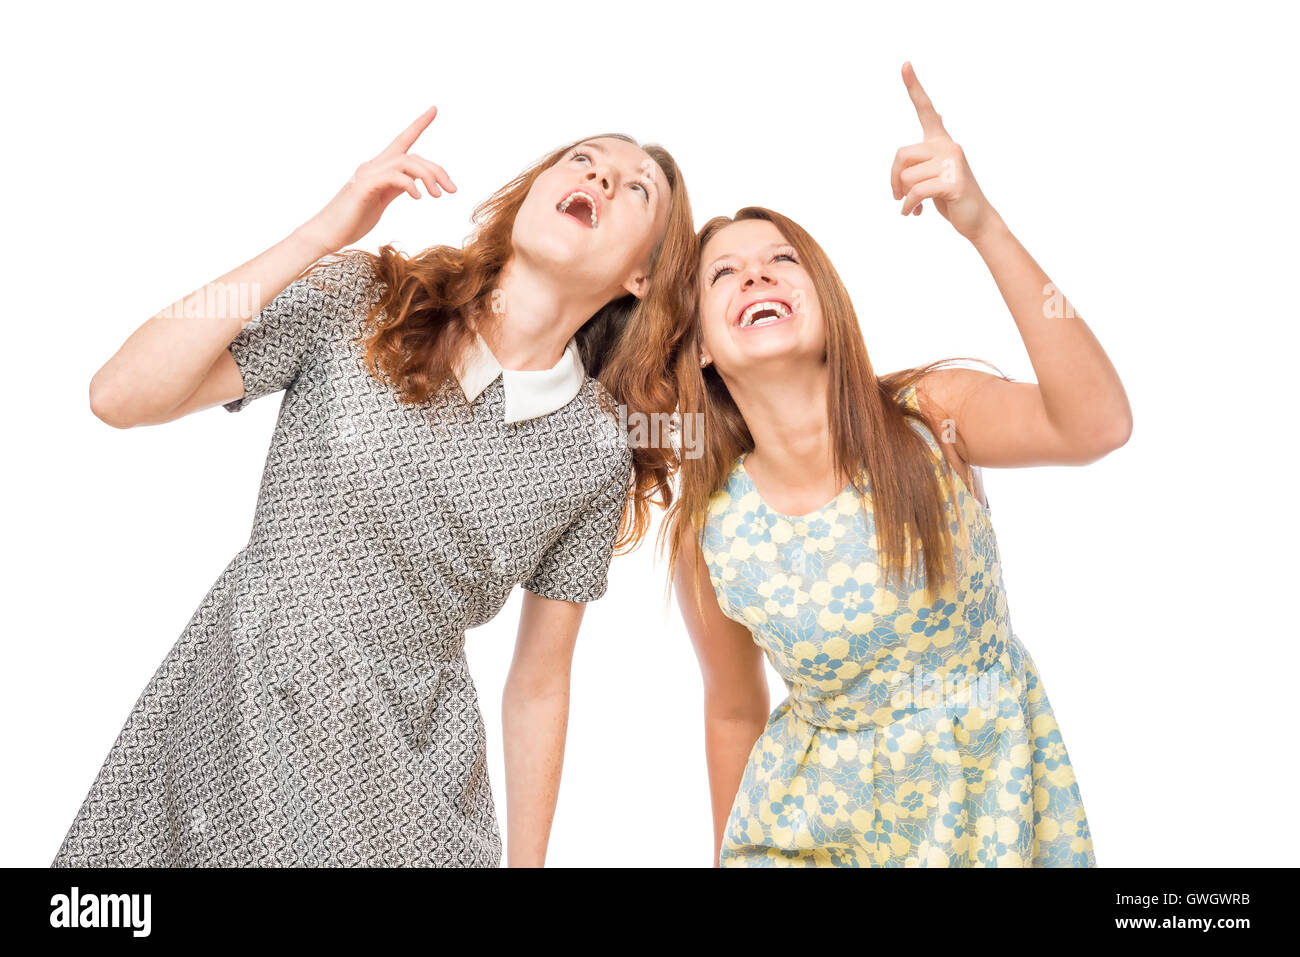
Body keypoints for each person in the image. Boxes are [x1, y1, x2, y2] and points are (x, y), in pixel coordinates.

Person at [53, 105, 693, 867]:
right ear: (532, 193)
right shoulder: (368, 300)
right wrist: (321, 233)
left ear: (641, 275)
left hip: (408, 802)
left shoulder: (595, 451)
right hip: (234, 733)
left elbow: (540, 682)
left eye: (635, 188)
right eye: (583, 158)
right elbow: (120, 395)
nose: (599, 176)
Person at [666, 64, 1129, 866]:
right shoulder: (710, 532)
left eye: (782, 259)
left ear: (825, 297)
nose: (757, 274)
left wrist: (981, 223)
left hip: (989, 824)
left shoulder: (931, 414)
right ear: (702, 346)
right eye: (725, 273)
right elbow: (734, 713)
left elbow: (1098, 423)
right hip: (807, 839)